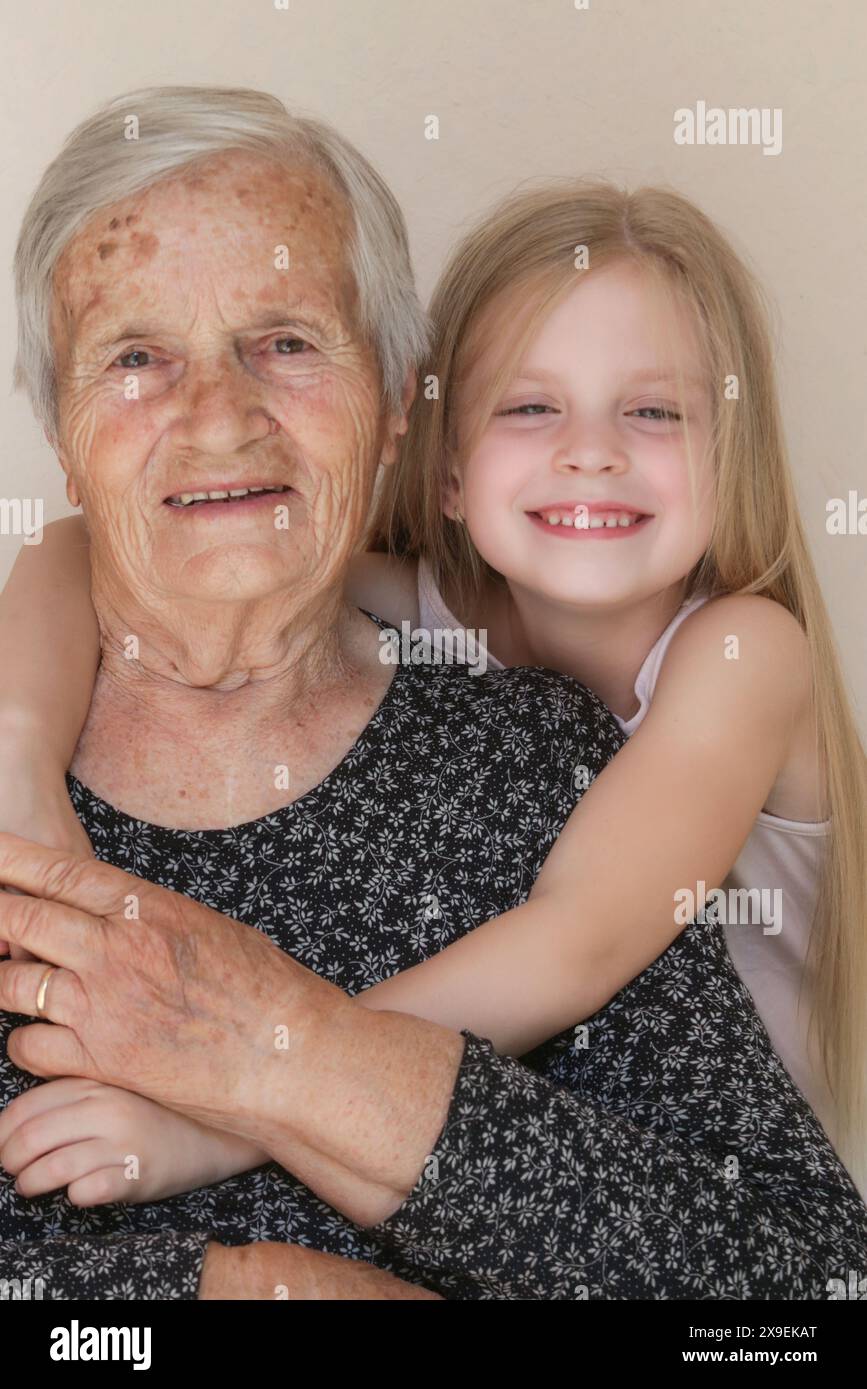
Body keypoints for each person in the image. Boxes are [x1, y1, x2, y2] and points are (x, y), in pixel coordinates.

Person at [0, 87, 865, 1301]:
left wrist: (280, 1061)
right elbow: (67, 549)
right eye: (137, 358)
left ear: (397, 406)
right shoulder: (459, 610)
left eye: (288, 341)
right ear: (58, 424)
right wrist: (232, 1290)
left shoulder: (573, 735)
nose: (219, 418)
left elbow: (791, 1299)